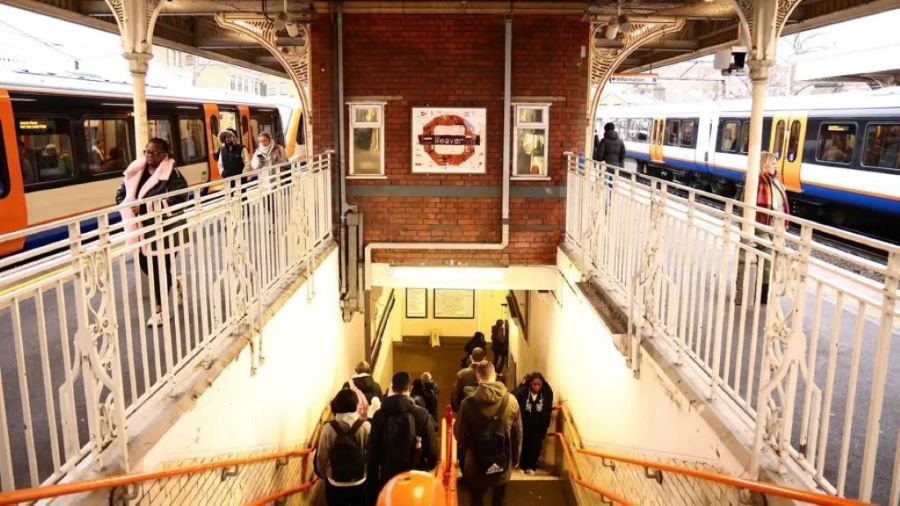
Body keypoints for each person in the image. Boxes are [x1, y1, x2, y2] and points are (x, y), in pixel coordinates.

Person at [116, 138, 189, 327]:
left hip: (166, 229)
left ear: (166, 155)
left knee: (160, 269)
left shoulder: (173, 174)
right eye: (147, 151)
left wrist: (145, 208)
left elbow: (180, 198)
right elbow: (121, 194)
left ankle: (161, 309)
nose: (150, 155)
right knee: (145, 265)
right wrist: (128, 205)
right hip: (142, 229)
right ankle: (176, 283)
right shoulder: (136, 171)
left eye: (155, 152)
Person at [454, 362, 522, 506]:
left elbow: (459, 433)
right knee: (499, 500)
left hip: (475, 463)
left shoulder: (467, 404)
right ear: (495, 375)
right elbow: (518, 434)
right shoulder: (511, 401)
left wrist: (470, 446)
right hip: (503, 461)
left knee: (476, 499)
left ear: (477, 378)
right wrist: (515, 457)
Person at [368, 372, 438, 496]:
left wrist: (373, 486)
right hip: (415, 475)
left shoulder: (379, 415)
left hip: (387, 476)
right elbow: (432, 451)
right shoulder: (422, 414)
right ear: (410, 388)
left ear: (392, 387)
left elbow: (372, 453)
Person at [316, 389, 371, 506]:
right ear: (356, 405)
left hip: (335, 482)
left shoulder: (328, 428)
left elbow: (321, 455)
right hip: (359, 481)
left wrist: (322, 473)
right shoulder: (365, 426)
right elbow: (371, 453)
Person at [753, 151, 791, 303]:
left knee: (777, 257)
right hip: (760, 226)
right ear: (765, 164)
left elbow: (781, 204)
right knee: (768, 257)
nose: (776, 166)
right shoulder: (756, 181)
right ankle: (763, 294)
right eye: (773, 163)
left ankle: (767, 290)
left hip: (775, 226)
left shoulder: (776, 182)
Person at [514, 373, 553, 475]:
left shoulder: (544, 395)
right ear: (530, 383)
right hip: (525, 424)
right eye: (534, 384)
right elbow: (514, 398)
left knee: (535, 446)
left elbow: (547, 410)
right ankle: (522, 465)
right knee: (525, 445)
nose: (536, 387)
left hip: (538, 426)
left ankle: (531, 466)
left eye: (539, 385)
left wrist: (545, 425)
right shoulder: (523, 392)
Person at [451, 347, 487, 413]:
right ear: (485, 358)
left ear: (471, 358)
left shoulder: (462, 374)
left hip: (467, 411)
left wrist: (459, 411)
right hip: (485, 412)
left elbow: (455, 395)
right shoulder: (490, 374)